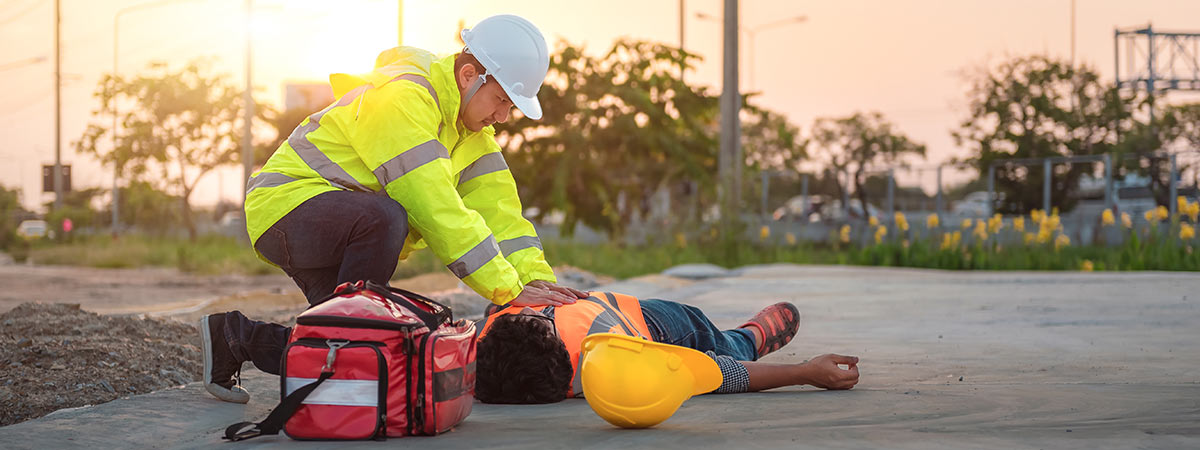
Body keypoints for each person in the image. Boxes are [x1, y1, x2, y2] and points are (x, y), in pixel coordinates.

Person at [202, 14, 587, 404]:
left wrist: (541, 294)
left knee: (367, 349)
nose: (503, 116)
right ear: (470, 75)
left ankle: (235, 338)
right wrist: (508, 289)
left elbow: (505, 222)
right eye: (502, 99)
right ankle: (335, 349)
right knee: (387, 218)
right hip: (286, 210)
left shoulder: (473, 140)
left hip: (337, 227)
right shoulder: (404, 97)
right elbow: (433, 206)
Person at [474, 292, 860, 404]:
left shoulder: (618, 357)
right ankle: (745, 338)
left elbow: (716, 374)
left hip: (646, 318)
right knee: (715, 347)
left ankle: (744, 338)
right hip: (630, 318)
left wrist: (806, 372)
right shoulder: (489, 330)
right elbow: (715, 373)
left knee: (708, 333)